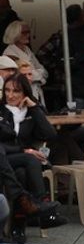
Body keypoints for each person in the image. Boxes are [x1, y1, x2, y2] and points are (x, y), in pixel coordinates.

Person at [0, 73, 56, 209]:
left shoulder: (31, 112)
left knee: (21, 172)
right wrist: (25, 150)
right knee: (30, 159)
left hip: (19, 160)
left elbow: (50, 135)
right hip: (4, 158)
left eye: (16, 91)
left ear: (25, 93)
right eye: (7, 90)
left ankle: (22, 217)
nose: (10, 95)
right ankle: (42, 203)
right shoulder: (1, 111)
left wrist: (34, 108)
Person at [3, 21, 47, 105]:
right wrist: (38, 76)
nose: (28, 35)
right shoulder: (9, 53)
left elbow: (43, 70)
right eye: (24, 33)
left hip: (35, 92)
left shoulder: (27, 49)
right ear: (15, 34)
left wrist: (37, 74)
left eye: (28, 32)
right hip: (22, 95)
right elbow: (20, 75)